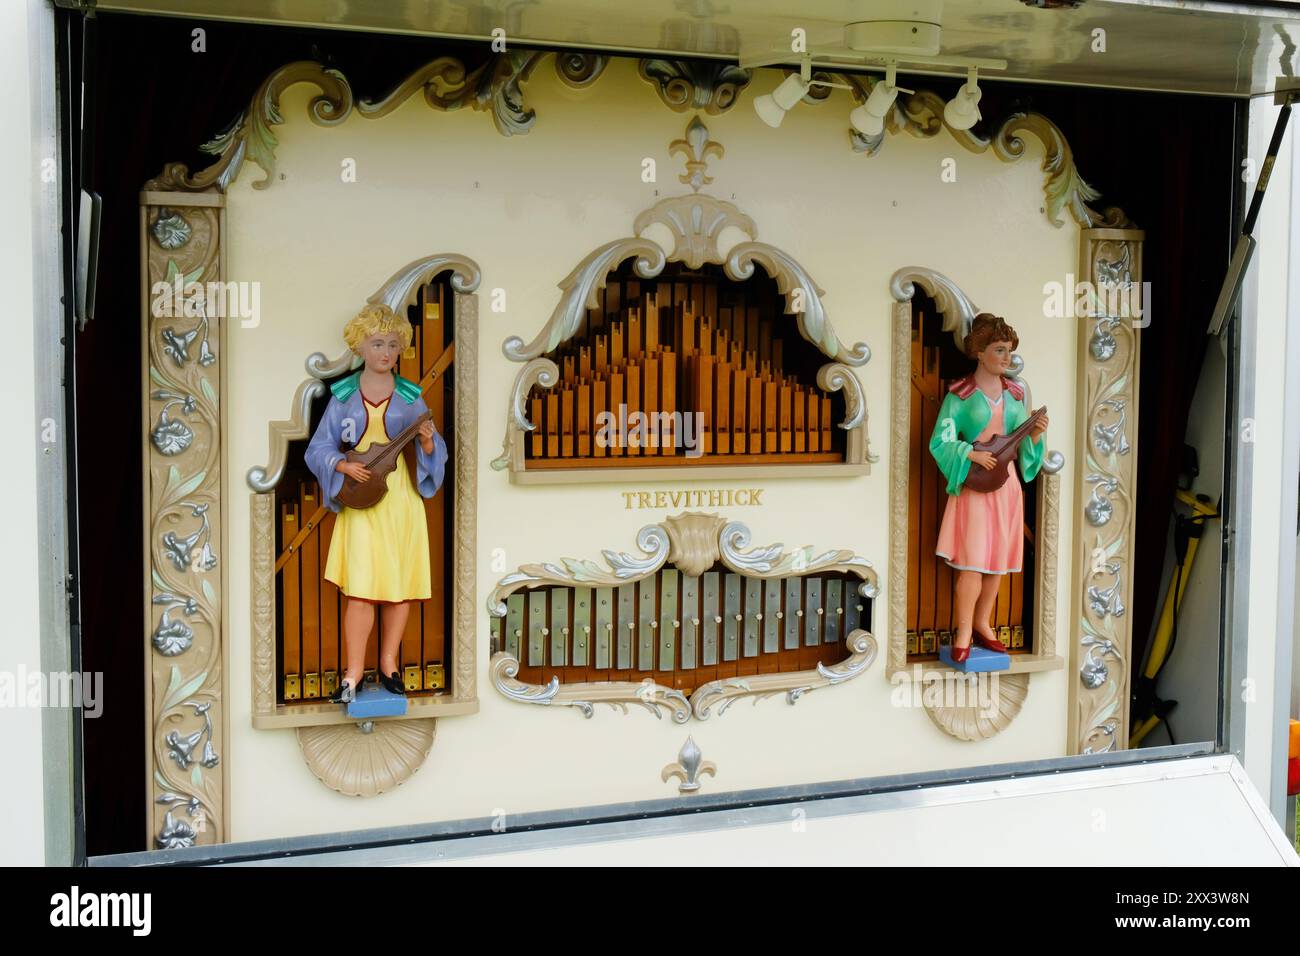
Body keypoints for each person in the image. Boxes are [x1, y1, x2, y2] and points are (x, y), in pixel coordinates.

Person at [304, 303, 448, 703]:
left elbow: (434, 454)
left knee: (398, 587)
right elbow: (318, 449)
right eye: (378, 343)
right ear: (361, 347)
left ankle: (389, 664)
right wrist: (341, 466)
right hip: (361, 501)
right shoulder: (344, 396)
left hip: (399, 499)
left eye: (393, 345)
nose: (386, 352)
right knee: (361, 590)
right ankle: (352, 672)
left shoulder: (410, 397)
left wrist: (427, 441)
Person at [928, 313, 1048, 663]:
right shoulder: (961, 395)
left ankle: (984, 623)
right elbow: (941, 440)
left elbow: (1022, 449)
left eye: (1009, 350)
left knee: (997, 563)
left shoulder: (1015, 395)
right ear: (979, 352)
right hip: (975, 488)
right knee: (972, 562)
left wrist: (1036, 435)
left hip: (1005, 488)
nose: (1006, 357)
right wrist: (970, 454)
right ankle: (964, 629)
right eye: (999, 349)